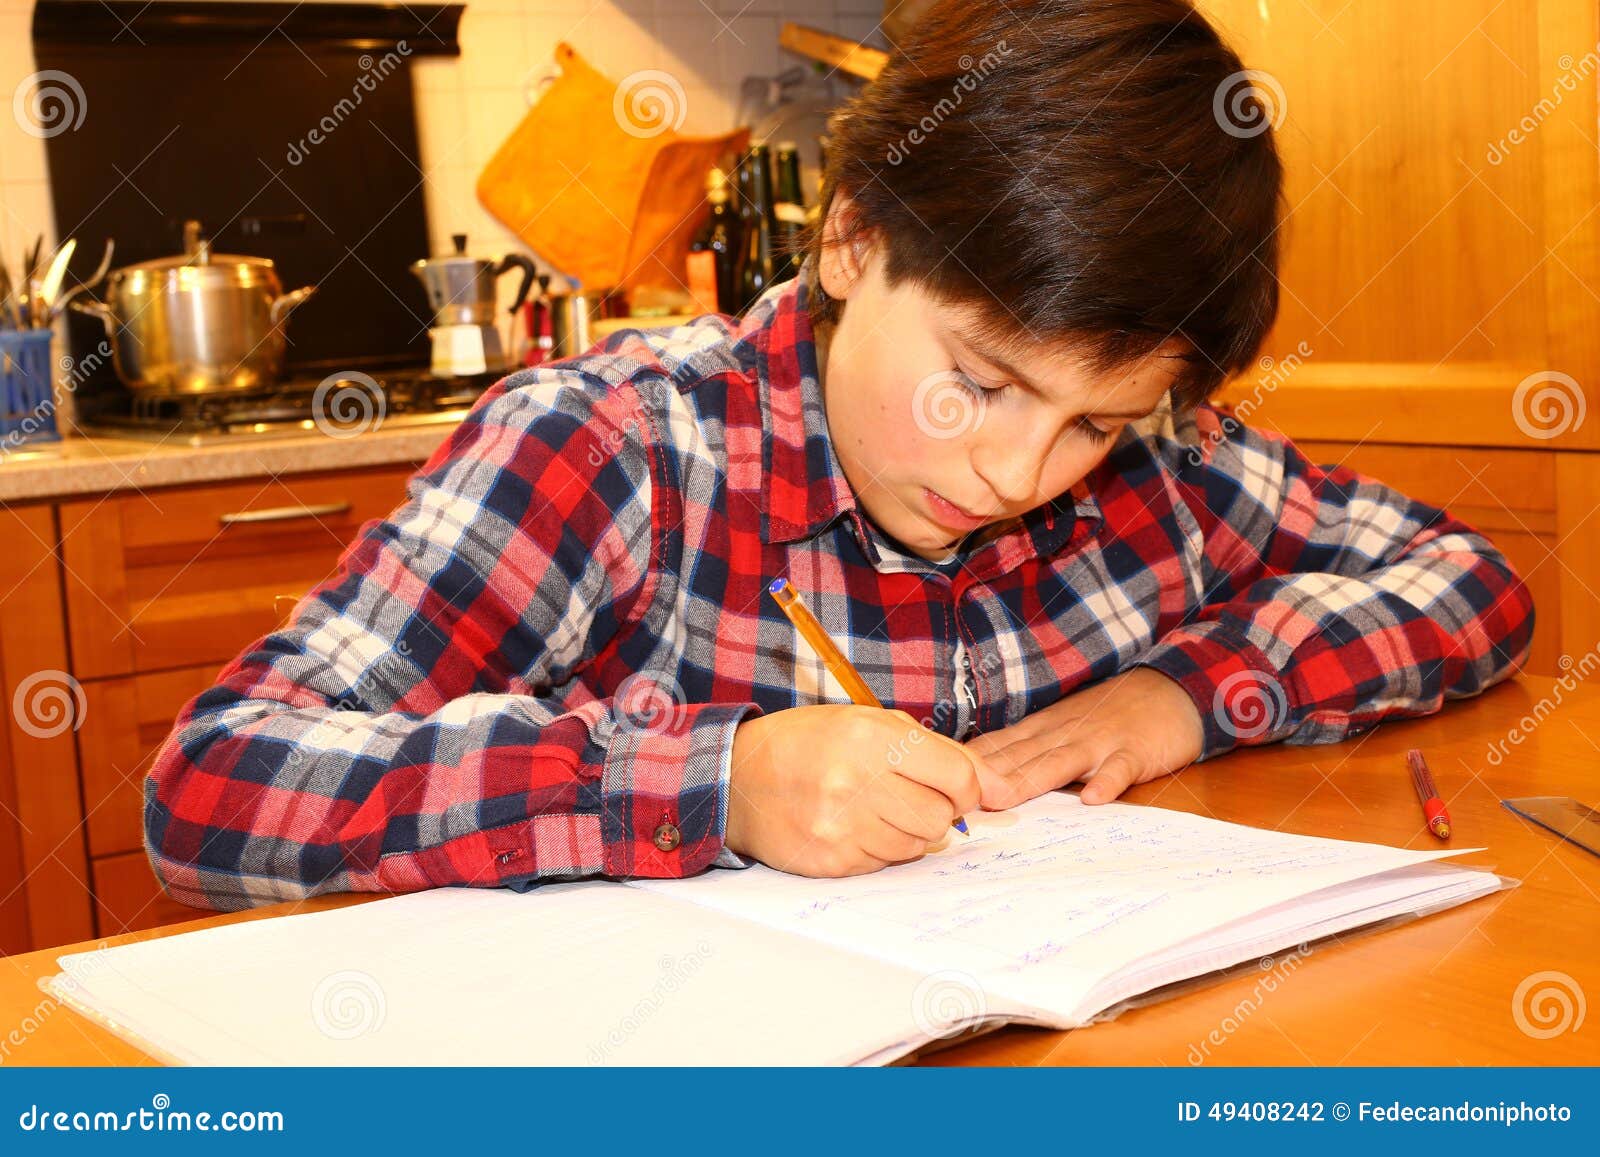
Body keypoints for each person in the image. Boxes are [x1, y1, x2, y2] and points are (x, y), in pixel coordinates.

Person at [145, 0, 1533, 909]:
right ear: (855, 236)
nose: (1016, 473)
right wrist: (715, 783)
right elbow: (215, 785)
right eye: (978, 383)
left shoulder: (1164, 473)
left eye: (1090, 423)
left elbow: (1465, 577)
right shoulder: (615, 452)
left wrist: (1191, 691)